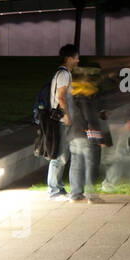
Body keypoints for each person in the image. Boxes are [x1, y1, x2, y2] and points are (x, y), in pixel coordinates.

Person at [67, 70, 111, 203]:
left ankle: (75, 194)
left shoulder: (71, 96)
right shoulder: (85, 98)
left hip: (73, 134)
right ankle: (91, 196)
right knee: (91, 166)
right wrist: (100, 139)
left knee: (76, 165)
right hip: (87, 136)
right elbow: (90, 120)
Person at [47, 44, 79, 200]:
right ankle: (53, 191)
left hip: (61, 119)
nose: (78, 60)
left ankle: (58, 188)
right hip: (61, 120)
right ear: (69, 58)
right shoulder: (64, 74)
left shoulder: (63, 73)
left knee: (63, 155)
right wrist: (67, 116)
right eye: (76, 57)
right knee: (59, 155)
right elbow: (61, 97)